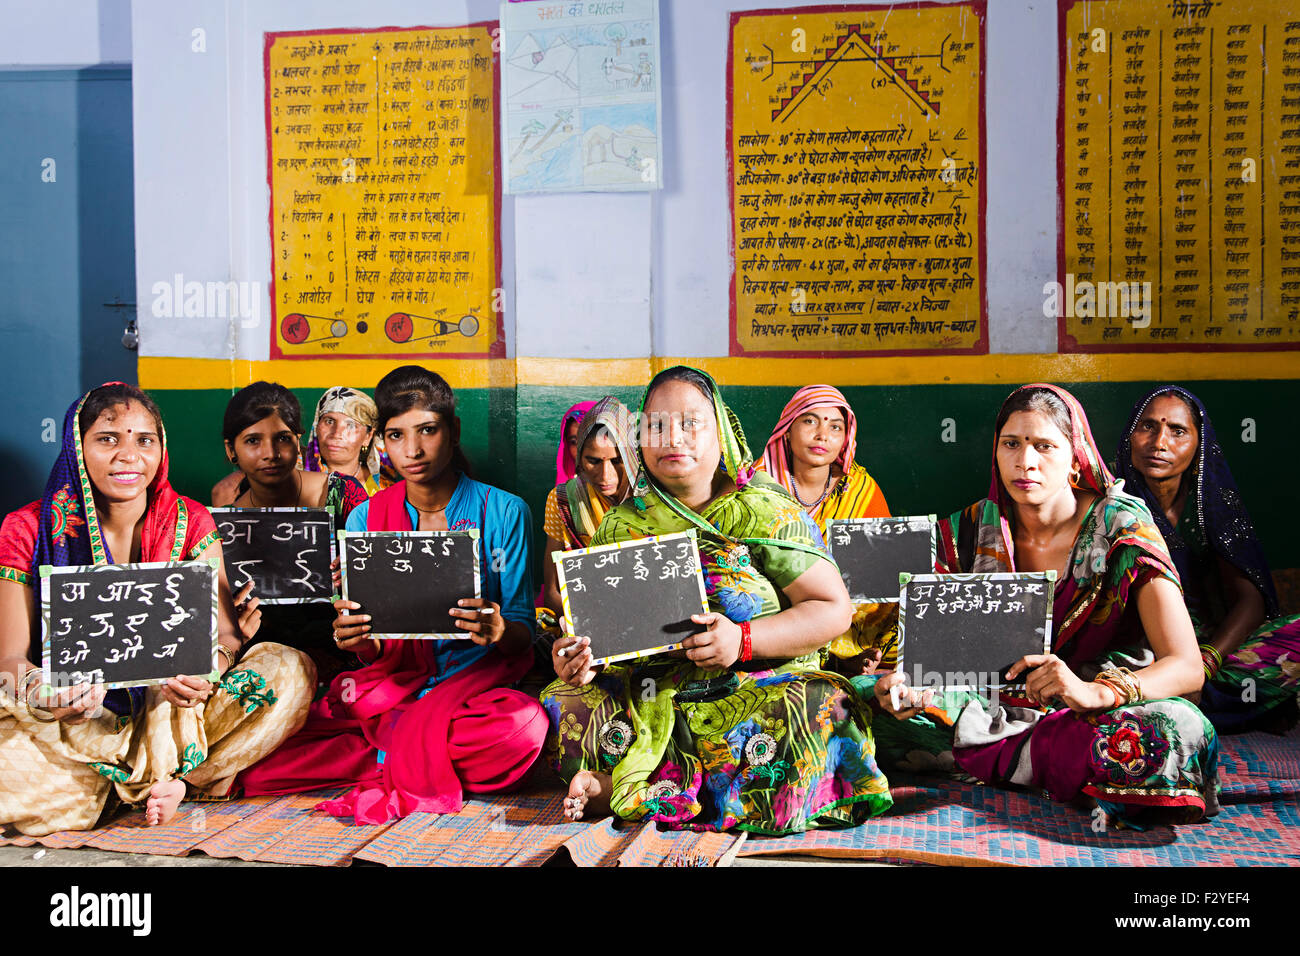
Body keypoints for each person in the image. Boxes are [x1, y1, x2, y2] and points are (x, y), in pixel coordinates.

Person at [543, 366, 893, 834]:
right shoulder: (621, 525)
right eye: (657, 425)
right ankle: (638, 786)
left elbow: (832, 610)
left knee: (818, 705)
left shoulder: (766, 510)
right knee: (565, 700)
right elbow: (608, 640)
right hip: (658, 694)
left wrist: (742, 640)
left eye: (691, 423)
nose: (673, 437)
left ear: (722, 433)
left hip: (755, 687)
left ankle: (633, 789)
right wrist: (581, 659)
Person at [867, 384, 1217, 829]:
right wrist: (906, 684)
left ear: (1076, 459)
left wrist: (1095, 692)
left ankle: (1015, 759)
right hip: (989, 705)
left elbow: (1187, 668)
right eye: (1011, 444)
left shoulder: (1121, 528)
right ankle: (1050, 767)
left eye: (1044, 447)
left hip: (1094, 710)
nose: (1025, 462)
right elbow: (932, 659)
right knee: (852, 702)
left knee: (1168, 729)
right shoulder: (972, 530)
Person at [0, 384, 315, 835]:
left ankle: (168, 779)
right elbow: (9, 658)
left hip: (172, 711)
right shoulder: (27, 528)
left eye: (144, 440)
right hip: (75, 722)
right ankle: (148, 780)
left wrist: (207, 670)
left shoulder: (189, 521)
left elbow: (227, 634)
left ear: (160, 448)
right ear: (77, 446)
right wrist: (44, 693)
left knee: (289, 671)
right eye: (108, 439)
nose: (129, 455)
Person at [238, 366, 547, 823]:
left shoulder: (505, 511)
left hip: (476, 691)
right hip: (393, 691)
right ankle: (407, 751)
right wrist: (358, 639)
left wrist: (499, 628)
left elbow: (522, 632)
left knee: (523, 728)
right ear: (381, 441)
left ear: (453, 429)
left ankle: (382, 756)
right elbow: (373, 649)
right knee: (272, 748)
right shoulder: (366, 519)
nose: (414, 450)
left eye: (428, 430)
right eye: (397, 435)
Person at [1116, 386, 1300, 732]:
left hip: (1211, 652)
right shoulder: (1110, 502)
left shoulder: (1210, 504)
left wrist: (1204, 662)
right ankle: (1207, 704)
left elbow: (1250, 601)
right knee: (1108, 677)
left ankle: (1186, 700)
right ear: (1129, 436)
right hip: (1141, 653)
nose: (1159, 442)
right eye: (1147, 427)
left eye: (1178, 431)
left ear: (1200, 444)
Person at [215, 383, 367, 680]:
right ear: (231, 450)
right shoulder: (223, 524)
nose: (270, 453)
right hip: (263, 667)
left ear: (298, 442)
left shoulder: (342, 494)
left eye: (282, 439)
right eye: (253, 441)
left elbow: (377, 586)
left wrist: (357, 575)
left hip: (345, 657)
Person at [759, 384, 896, 673]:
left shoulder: (860, 489)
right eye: (810, 421)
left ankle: (847, 659)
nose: (822, 435)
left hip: (847, 617)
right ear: (787, 428)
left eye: (836, 427)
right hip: (775, 614)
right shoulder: (756, 486)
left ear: (846, 438)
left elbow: (882, 574)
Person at [211, 384, 391, 504]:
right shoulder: (290, 467)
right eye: (329, 421)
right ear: (316, 427)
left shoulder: (381, 491)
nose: (337, 434)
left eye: (350, 425)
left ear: (369, 436)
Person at [539, 396, 638, 615]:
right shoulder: (563, 500)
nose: (605, 476)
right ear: (578, 458)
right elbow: (553, 592)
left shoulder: (654, 501)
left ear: (632, 456)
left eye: (616, 461)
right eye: (592, 461)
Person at [554, 400, 599, 486]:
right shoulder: (562, 495)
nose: (581, 449)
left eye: (589, 439)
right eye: (574, 442)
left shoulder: (629, 491)